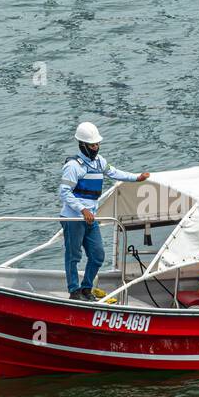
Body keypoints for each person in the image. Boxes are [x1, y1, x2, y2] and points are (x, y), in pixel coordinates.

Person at [58, 121, 149, 300]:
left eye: (97, 144)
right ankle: (74, 291)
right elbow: (64, 192)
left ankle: (86, 288)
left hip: (91, 219)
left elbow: (114, 173)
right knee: (73, 255)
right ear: (82, 145)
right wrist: (82, 209)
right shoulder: (73, 166)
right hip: (74, 219)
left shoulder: (100, 162)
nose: (96, 147)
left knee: (97, 255)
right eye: (92, 145)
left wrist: (137, 178)